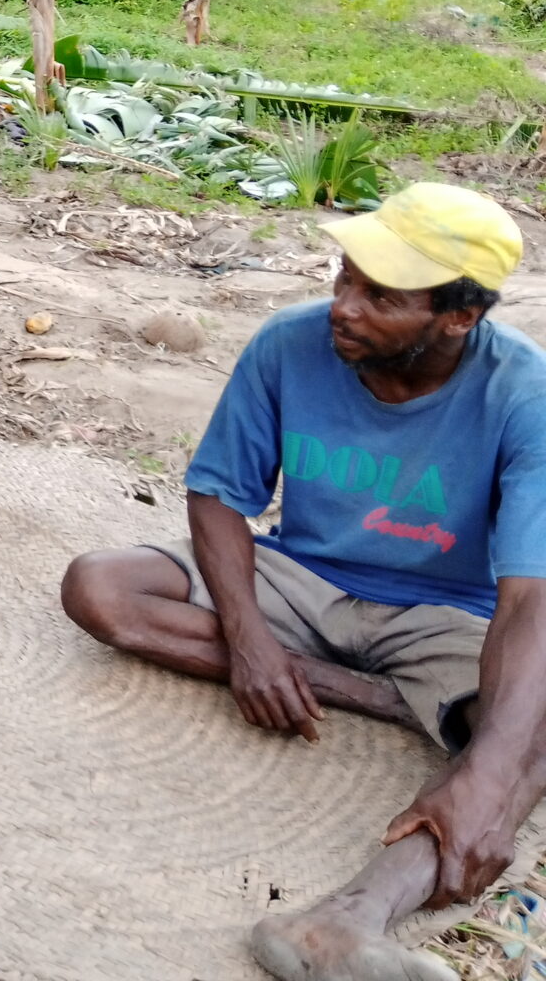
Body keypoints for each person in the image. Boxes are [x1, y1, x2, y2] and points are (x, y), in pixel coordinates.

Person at [59, 182, 546, 981]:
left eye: (379, 295)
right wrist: (251, 642)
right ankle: (384, 699)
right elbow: (217, 495)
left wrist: (492, 773)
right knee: (100, 587)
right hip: (303, 581)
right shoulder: (289, 344)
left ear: (459, 316)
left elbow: (530, 598)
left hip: (443, 614)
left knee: (526, 733)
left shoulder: (525, 395)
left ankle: (350, 921)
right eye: (344, 277)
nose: (344, 307)